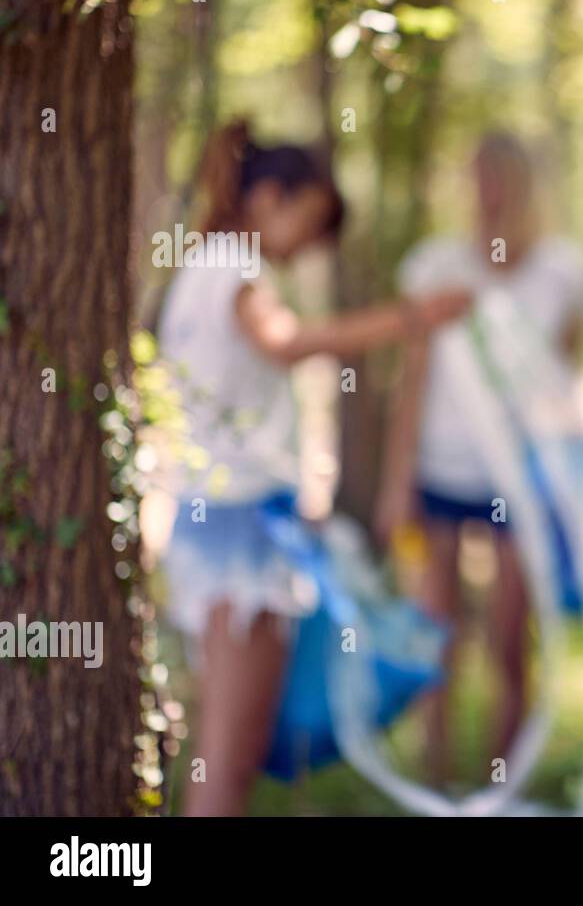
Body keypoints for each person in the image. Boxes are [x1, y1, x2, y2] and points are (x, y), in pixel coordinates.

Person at [158, 121, 471, 816]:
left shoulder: (203, 265)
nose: (310, 245)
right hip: (241, 530)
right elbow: (288, 342)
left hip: (217, 520)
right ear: (270, 197)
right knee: (230, 750)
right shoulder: (236, 267)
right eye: (311, 221)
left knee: (229, 745)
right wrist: (411, 318)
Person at [375, 131, 583, 782]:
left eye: (500, 178)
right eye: (478, 178)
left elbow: (565, 375)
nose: (488, 192)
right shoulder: (436, 266)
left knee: (508, 634)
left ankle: (503, 781)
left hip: (519, 478)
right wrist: (396, 482)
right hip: (441, 470)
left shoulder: (563, 273)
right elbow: (410, 380)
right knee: (435, 635)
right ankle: (435, 775)